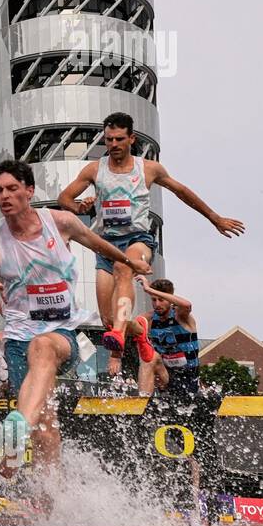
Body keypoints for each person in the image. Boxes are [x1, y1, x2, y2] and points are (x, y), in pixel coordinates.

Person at [0, 159, 151, 477]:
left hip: (59, 336)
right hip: (16, 343)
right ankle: (48, 499)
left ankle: (17, 432)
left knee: (42, 346)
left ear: (29, 191)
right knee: (46, 428)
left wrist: (129, 262)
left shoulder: (61, 222)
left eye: (12, 189)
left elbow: (98, 243)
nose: (4, 196)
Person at [57, 112, 243, 374]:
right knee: (110, 320)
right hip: (105, 244)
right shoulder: (94, 170)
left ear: (131, 138)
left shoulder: (148, 169)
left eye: (119, 139)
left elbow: (182, 191)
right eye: (109, 139)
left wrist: (214, 218)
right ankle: (139, 333)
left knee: (125, 269)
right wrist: (80, 205)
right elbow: (64, 198)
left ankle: (118, 343)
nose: (114, 145)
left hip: (138, 240)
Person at [136, 278, 200, 397]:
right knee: (151, 358)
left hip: (189, 380)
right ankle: (142, 405)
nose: (157, 304)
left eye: (161, 300)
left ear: (170, 299)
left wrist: (148, 289)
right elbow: (132, 325)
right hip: (166, 377)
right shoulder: (150, 319)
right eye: (153, 300)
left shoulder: (181, 316)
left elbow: (187, 305)